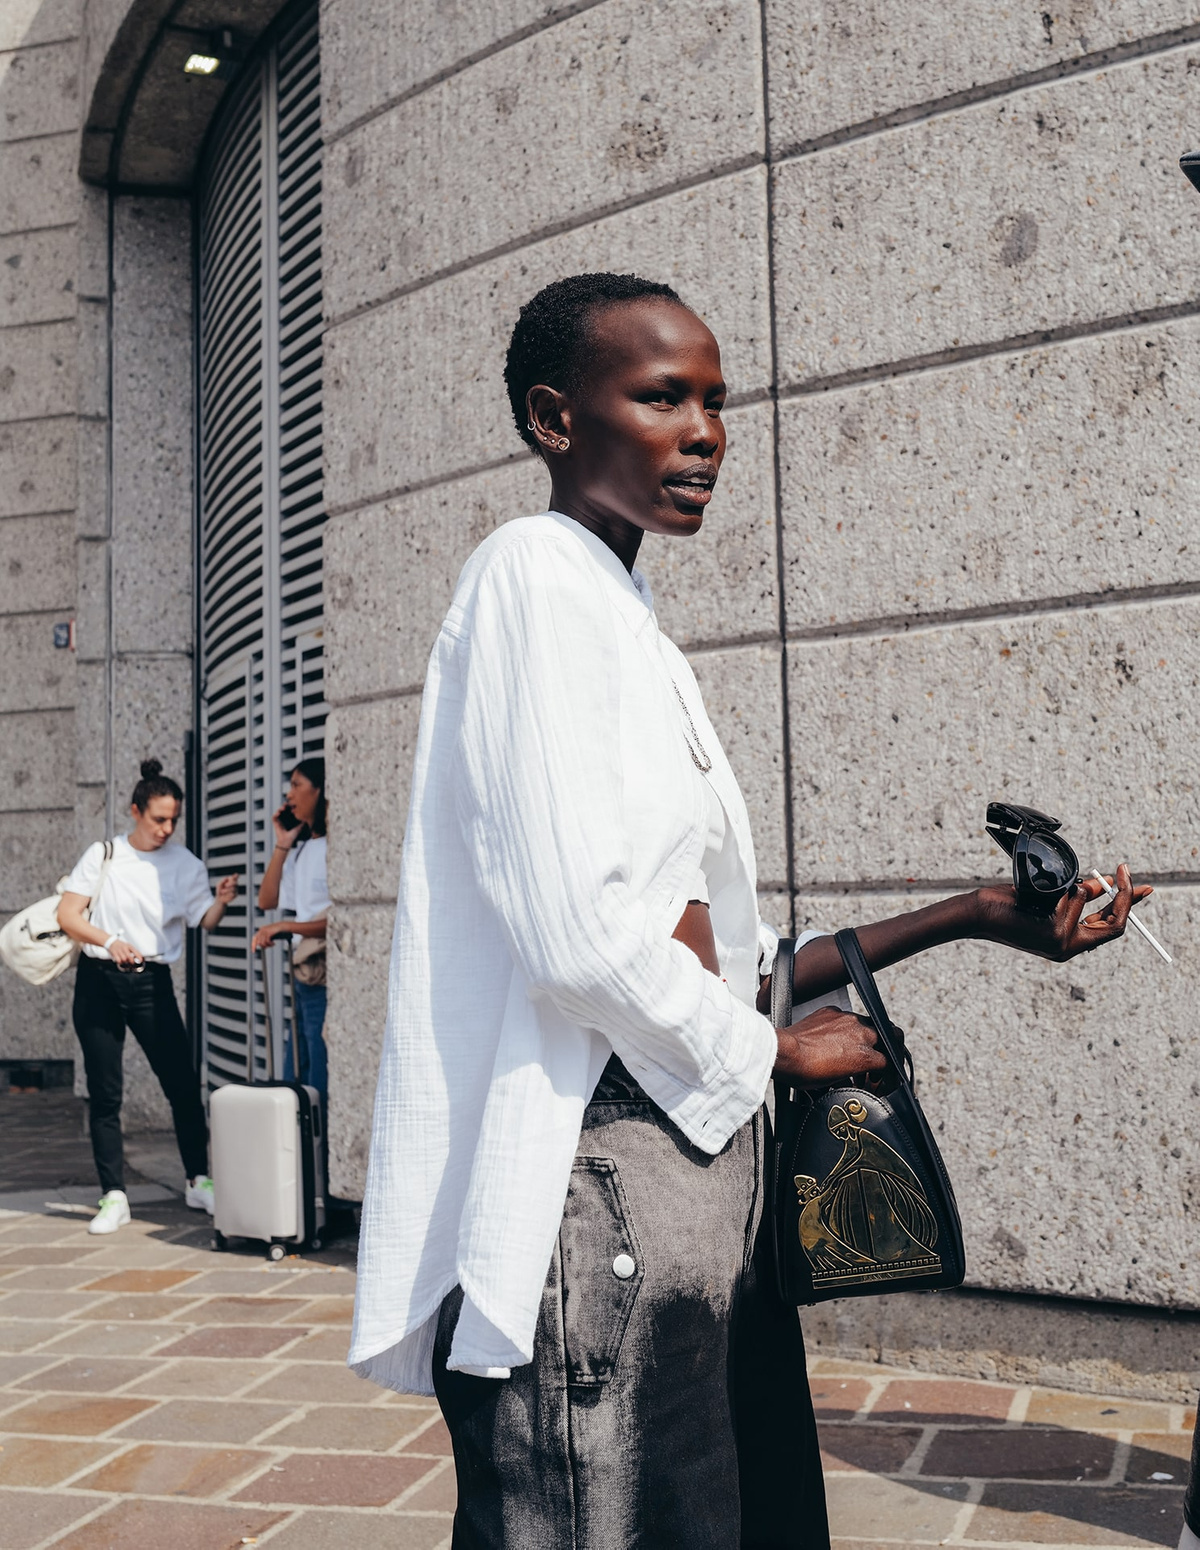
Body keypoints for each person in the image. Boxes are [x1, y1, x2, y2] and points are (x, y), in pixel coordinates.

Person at [349, 272, 1147, 1547]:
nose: (706, 430)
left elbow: (723, 958)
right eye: (662, 396)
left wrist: (978, 914)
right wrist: (770, 1046)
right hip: (597, 1181)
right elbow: (577, 932)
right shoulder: (533, 577)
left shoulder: (625, 615)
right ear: (556, 418)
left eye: (718, 400)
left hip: (670, 1182)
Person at [58, 759, 238, 1235]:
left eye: (173, 819)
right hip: (100, 980)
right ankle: (113, 1195)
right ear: (135, 811)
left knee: (181, 1082)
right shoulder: (105, 854)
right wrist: (108, 940)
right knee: (105, 1092)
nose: (167, 828)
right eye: (158, 818)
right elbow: (68, 915)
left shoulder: (187, 865)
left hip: (151, 982)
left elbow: (205, 920)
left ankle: (198, 1180)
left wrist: (221, 899)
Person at [252, 758, 329, 1098]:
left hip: (324, 974)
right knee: (295, 1075)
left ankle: (324, 1149)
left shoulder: (335, 848)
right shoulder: (303, 851)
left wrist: (287, 925)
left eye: (297, 785)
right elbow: (266, 900)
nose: (289, 793)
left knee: (318, 1074)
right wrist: (283, 843)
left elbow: (342, 921)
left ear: (320, 789)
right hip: (303, 975)